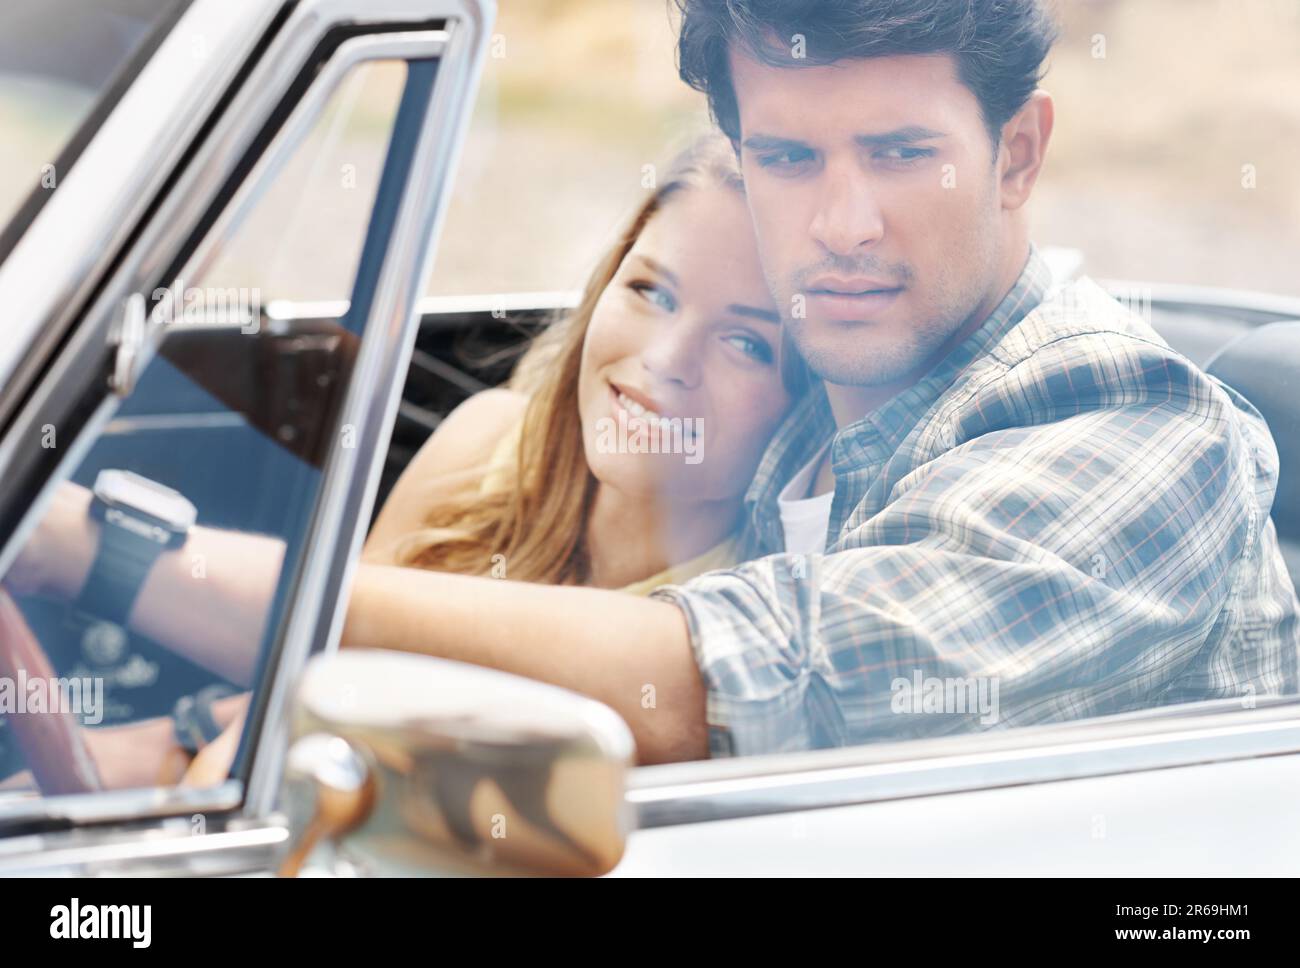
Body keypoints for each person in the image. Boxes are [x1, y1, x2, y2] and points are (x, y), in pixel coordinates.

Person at [1, 133, 804, 787]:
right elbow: (308, 694)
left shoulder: (734, 634)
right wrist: (160, 755)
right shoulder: (493, 445)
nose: (665, 358)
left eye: (745, 341)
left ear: (804, 398)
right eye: (651, 292)